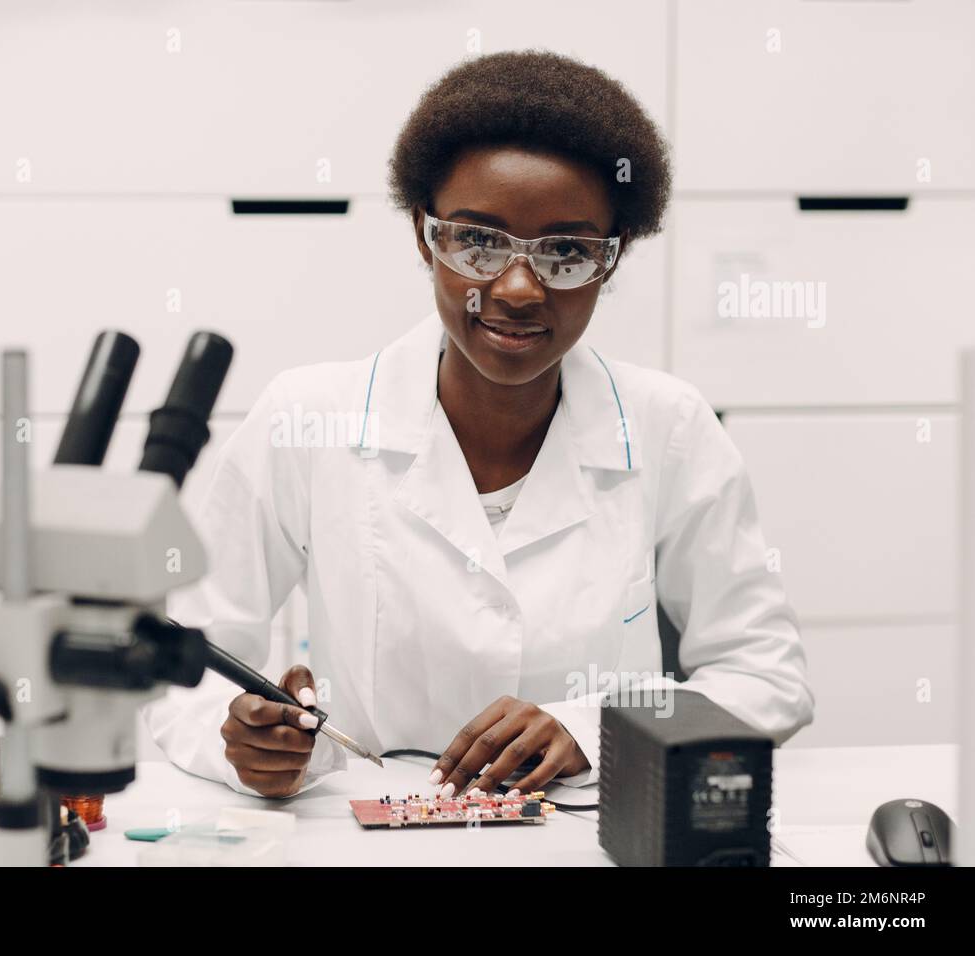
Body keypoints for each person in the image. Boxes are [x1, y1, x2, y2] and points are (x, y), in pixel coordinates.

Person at [145, 50, 813, 799]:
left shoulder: (670, 428)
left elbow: (766, 677)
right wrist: (243, 739)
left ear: (612, 259)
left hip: (587, 834)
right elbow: (185, 664)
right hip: (366, 831)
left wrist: (593, 728)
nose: (520, 288)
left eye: (566, 251)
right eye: (479, 241)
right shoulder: (308, 418)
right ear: (423, 237)